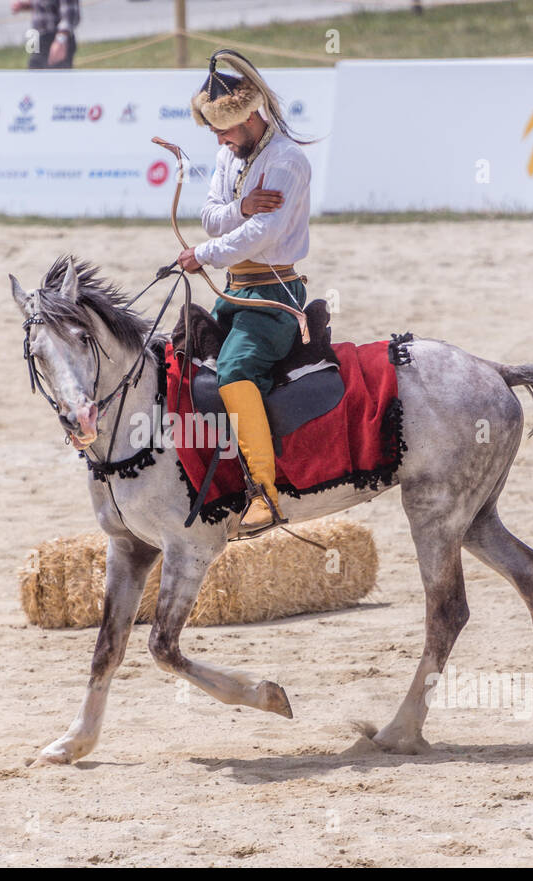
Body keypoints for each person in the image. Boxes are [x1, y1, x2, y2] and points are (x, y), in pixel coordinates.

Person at [176, 50, 315, 534]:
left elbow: (264, 236)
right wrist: (241, 205)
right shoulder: (226, 155)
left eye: (225, 129)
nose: (218, 138)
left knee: (234, 369)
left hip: (275, 297)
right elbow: (211, 215)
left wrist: (205, 254)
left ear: (249, 117)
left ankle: (265, 493)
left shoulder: (288, 161)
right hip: (235, 293)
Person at [10, 0, 80, 69]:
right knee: (34, 74)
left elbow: (70, 15)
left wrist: (61, 40)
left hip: (55, 39)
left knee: (56, 78)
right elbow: (45, 5)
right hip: (37, 38)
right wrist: (24, 5)